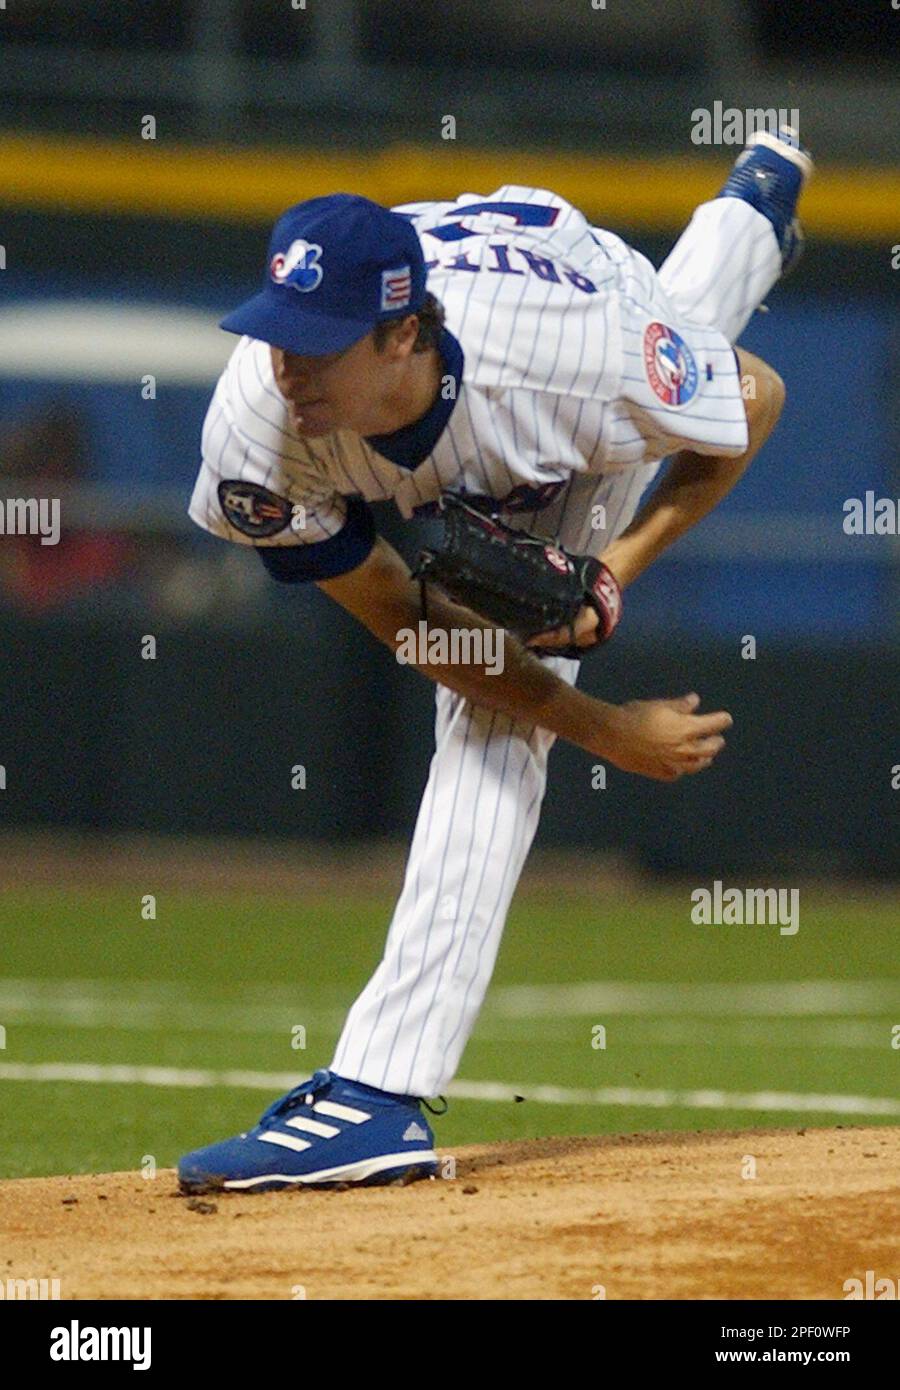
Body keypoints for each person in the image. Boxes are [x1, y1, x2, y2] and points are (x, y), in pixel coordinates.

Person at [180, 127, 811, 1190]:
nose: (287, 366)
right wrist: (607, 727)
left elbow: (753, 404)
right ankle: (754, 206)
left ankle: (379, 1097)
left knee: (502, 711)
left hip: (565, 300)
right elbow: (404, 620)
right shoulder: (259, 420)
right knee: (497, 681)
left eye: (318, 340)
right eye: (277, 331)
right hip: (486, 291)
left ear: (400, 335)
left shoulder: (578, 367)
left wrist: (613, 566)